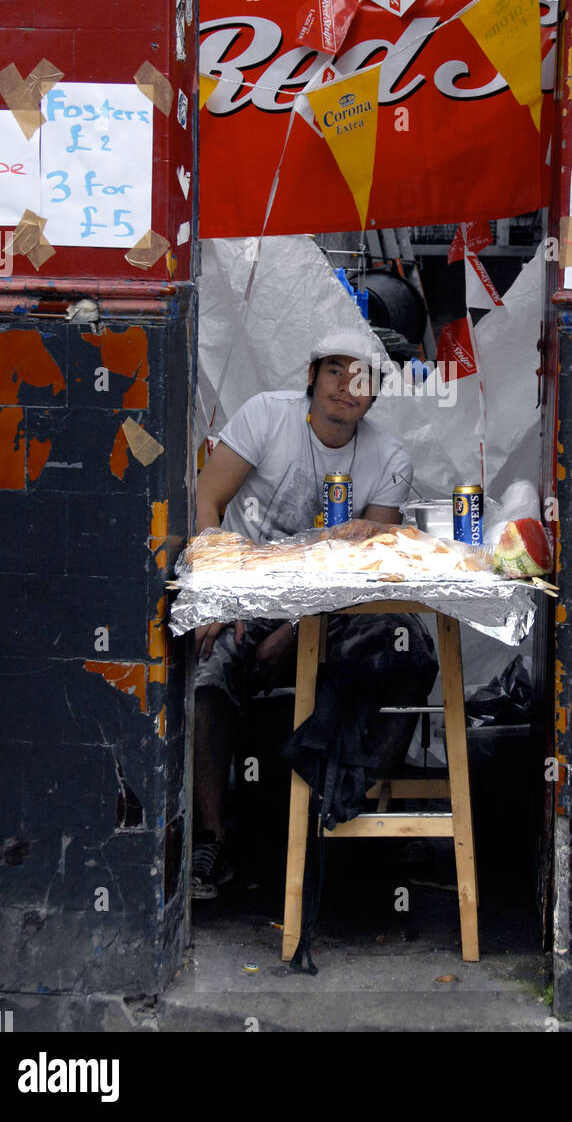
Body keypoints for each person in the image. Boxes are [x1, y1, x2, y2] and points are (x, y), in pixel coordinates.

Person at [190, 329, 437, 898]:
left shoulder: (388, 455)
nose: (346, 388)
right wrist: (217, 593)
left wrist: (304, 629)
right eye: (335, 371)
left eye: (363, 379)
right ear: (311, 376)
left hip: (333, 605)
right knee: (210, 664)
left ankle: (357, 808)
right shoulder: (265, 418)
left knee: (407, 644)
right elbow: (207, 499)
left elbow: (369, 566)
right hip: (248, 589)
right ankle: (212, 839)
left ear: (374, 396)